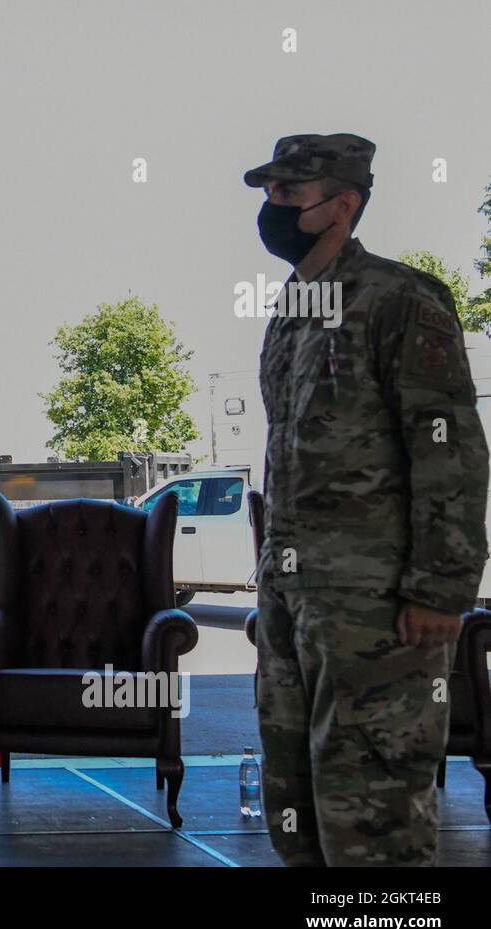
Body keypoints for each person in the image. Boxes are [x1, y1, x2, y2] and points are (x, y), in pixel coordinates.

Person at [245, 132, 489, 865]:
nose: (272, 208)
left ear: (343, 205)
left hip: (380, 611)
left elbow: (448, 449)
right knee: (298, 810)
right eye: (269, 194)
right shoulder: (292, 309)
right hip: (296, 604)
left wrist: (441, 589)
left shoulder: (401, 300)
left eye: (289, 194)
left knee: (374, 818)